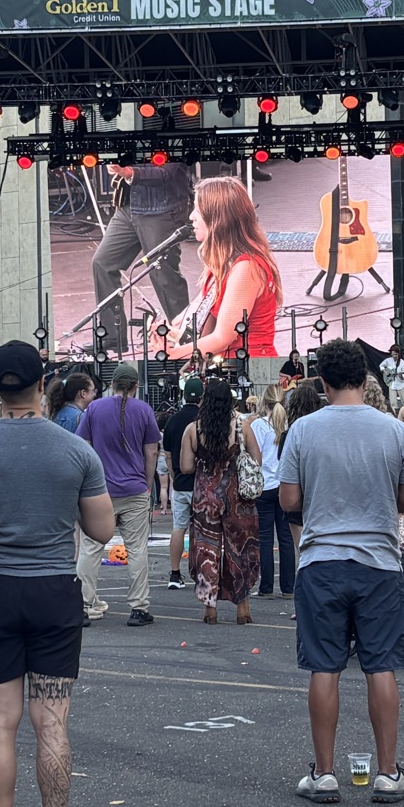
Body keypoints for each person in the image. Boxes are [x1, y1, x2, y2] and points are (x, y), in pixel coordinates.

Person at [0, 341, 112, 807]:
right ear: (43, 383)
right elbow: (102, 529)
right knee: (52, 721)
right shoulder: (74, 450)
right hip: (53, 591)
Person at [279, 339, 404, 805]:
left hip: (321, 561)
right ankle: (388, 773)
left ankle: (323, 774)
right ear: (365, 378)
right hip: (378, 563)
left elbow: (288, 499)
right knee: (381, 666)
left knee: (324, 667)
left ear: (323, 382)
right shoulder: (393, 430)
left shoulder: (303, 430)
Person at [73, 363, 161, 625]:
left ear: (112, 384)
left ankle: (83, 604)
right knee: (136, 549)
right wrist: (147, 484)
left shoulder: (94, 408)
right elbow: (151, 452)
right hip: (134, 489)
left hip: (100, 491)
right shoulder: (144, 410)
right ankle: (139, 607)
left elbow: (83, 446)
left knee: (90, 548)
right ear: (135, 386)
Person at [157, 176, 281, 360]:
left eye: (198, 210)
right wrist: (168, 334)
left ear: (218, 219)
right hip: (226, 362)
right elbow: (195, 324)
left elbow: (223, 337)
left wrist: (173, 354)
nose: (191, 216)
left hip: (250, 365)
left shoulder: (246, 268)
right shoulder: (222, 262)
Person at [93, 160, 194, 356]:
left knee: (163, 274)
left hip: (163, 210)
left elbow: (166, 173)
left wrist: (128, 172)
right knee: (102, 262)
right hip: (129, 207)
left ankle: (186, 338)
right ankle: (112, 336)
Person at [182, 378, 262, 624]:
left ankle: (210, 609)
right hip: (237, 497)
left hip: (205, 498)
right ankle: (243, 608)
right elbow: (257, 460)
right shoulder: (242, 426)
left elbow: (185, 467)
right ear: (230, 400)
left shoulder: (193, 430)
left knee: (207, 548)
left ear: (205, 401)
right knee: (240, 547)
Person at [251, 385, 296, 599]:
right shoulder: (290, 425)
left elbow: (255, 456)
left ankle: (266, 587)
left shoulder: (258, 425)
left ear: (264, 402)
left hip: (264, 485)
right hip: (285, 484)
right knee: (286, 538)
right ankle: (288, 587)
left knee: (265, 538)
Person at [159, 375, 204, 590]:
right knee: (203, 530)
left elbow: (167, 454)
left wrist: (173, 474)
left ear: (183, 396)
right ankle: (202, 572)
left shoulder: (173, 420)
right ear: (202, 398)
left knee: (179, 528)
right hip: (202, 483)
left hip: (180, 483)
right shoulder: (204, 420)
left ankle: (175, 574)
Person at [281, 381, 324, 556]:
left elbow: (283, 464)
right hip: (321, 496)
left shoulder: (290, 434)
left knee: (303, 553)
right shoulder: (325, 433)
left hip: (298, 497)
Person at [380, 345, 404, 411]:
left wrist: (401, 376)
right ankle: (394, 414)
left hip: (401, 384)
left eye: (396, 354)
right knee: (393, 403)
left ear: (398, 354)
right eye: (393, 354)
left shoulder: (402, 363)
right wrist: (385, 371)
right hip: (392, 384)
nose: (394, 356)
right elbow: (381, 365)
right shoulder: (388, 361)